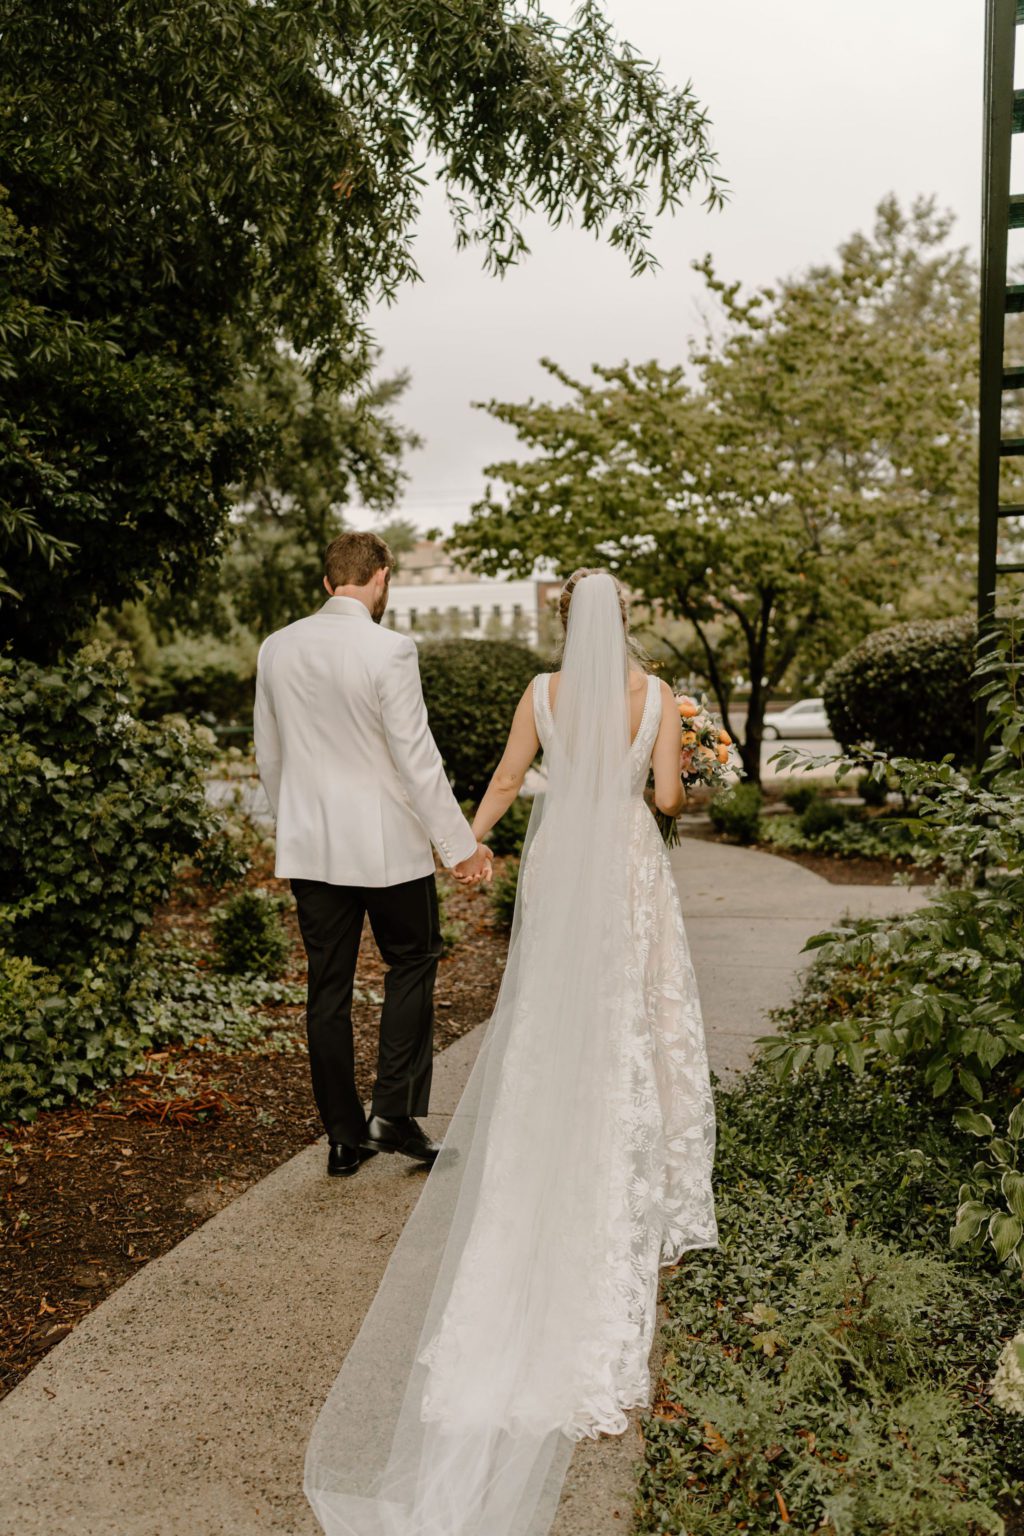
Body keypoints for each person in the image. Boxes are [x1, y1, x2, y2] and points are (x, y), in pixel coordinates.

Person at [304, 567, 718, 1536]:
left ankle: (549, 1141)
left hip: (565, 860)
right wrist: (692, 770)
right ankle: (633, 1153)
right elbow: (667, 799)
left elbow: (498, 781)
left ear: (564, 620)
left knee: (549, 1009)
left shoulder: (540, 692)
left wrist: (467, 847)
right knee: (640, 1010)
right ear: (626, 620)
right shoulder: (660, 695)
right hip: (626, 864)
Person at [253, 531, 493, 1181]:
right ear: (381, 577)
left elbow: (269, 756)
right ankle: (393, 1113)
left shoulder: (277, 647)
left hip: (311, 848)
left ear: (328, 582)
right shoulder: (390, 649)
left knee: (326, 989)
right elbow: (417, 758)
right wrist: (460, 847)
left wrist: (298, 822)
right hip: (388, 849)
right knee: (413, 960)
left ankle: (343, 1137)